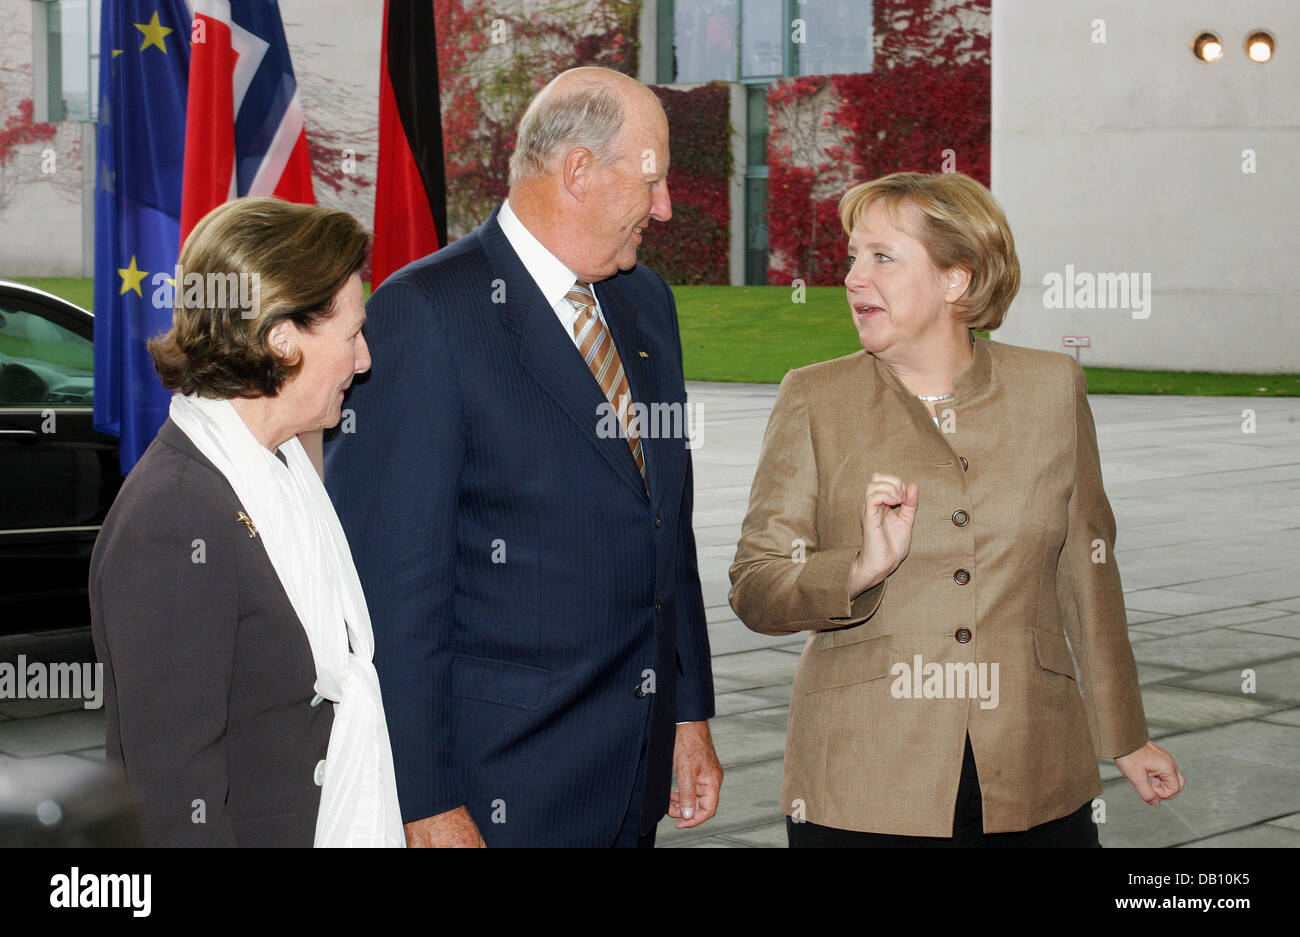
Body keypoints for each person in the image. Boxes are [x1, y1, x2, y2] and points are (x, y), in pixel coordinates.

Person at [325, 66, 722, 847]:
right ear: (578, 171)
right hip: (496, 790)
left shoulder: (646, 302)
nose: (665, 206)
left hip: (632, 775)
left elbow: (666, 527)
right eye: (653, 180)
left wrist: (686, 709)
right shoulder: (425, 315)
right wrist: (423, 800)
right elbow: (391, 593)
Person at [728, 171, 1184, 847]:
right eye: (853, 257)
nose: (854, 277)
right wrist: (854, 568)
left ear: (956, 281)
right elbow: (755, 584)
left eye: (882, 256)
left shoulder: (1051, 389)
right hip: (863, 781)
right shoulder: (814, 398)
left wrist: (1126, 733)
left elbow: (1088, 573)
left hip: (1035, 770)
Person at [89, 197, 403, 847]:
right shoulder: (178, 515)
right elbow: (171, 795)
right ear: (282, 337)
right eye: (351, 336)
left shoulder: (276, 468)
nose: (364, 360)